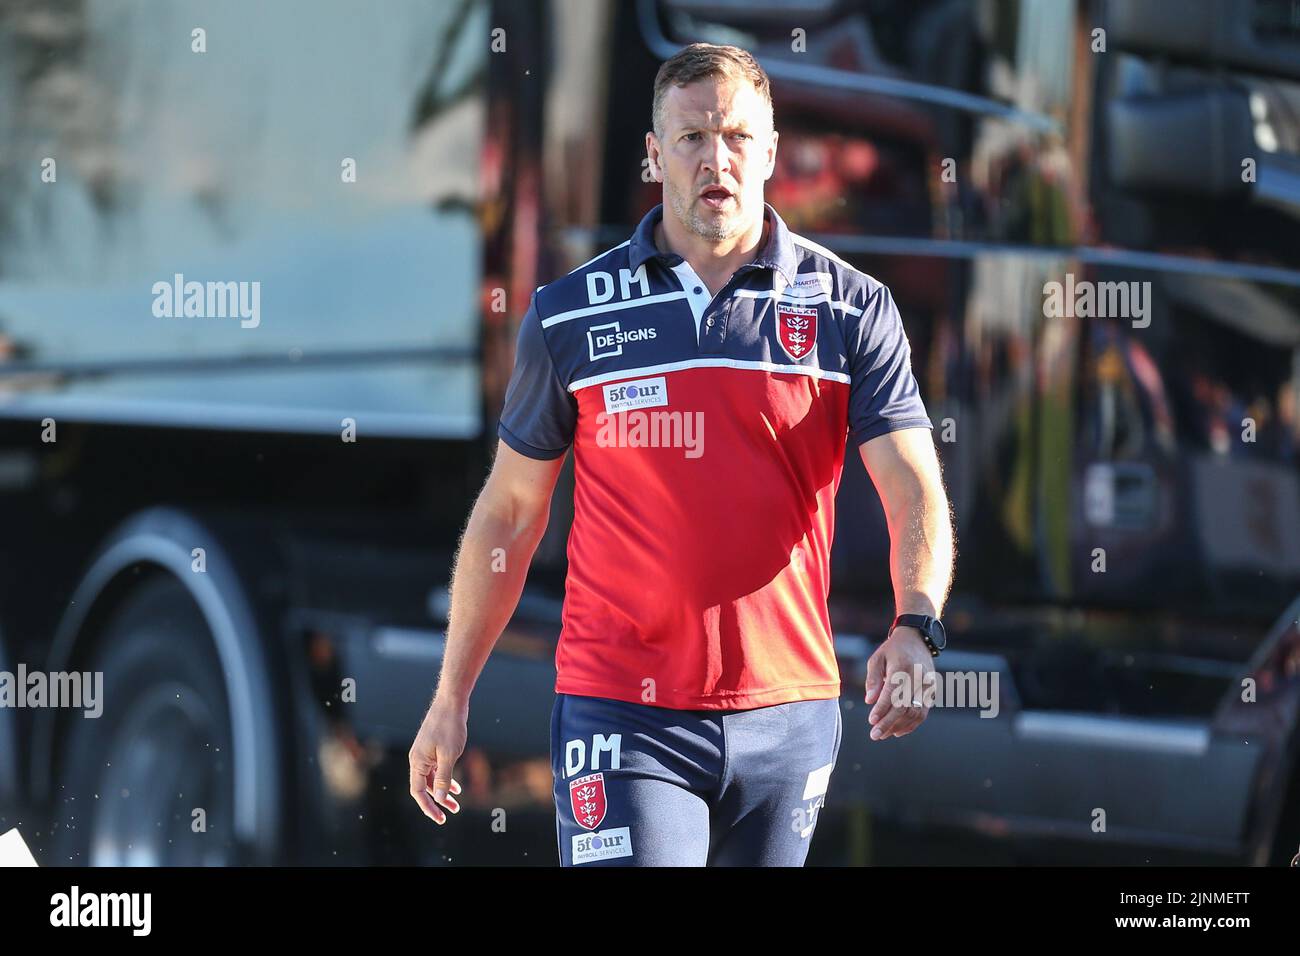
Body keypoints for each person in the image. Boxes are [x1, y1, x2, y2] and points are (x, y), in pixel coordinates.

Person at [409, 42, 954, 866]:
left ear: (772, 151)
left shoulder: (851, 309)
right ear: (654, 153)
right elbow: (511, 513)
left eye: (737, 137)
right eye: (692, 138)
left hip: (790, 713)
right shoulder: (570, 316)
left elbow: (913, 485)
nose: (717, 160)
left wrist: (917, 625)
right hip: (623, 711)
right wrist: (451, 696)